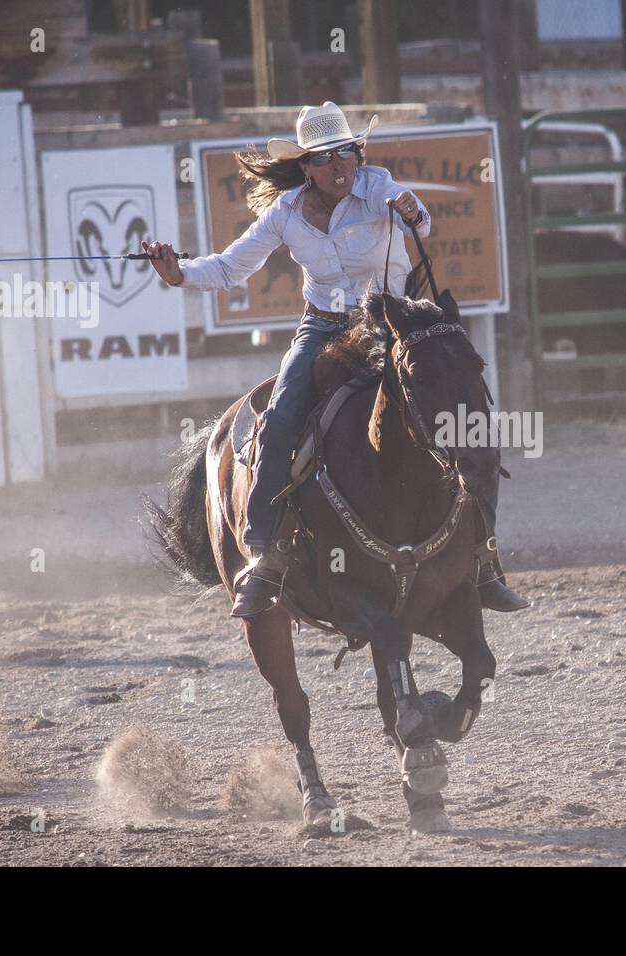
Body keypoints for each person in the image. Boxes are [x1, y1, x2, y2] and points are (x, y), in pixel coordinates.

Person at [143, 102, 528, 618]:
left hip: (392, 322)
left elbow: (413, 210)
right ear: (307, 167)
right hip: (323, 326)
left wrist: (414, 209)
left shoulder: (377, 186)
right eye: (327, 158)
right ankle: (264, 555)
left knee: (467, 414)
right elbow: (231, 267)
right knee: (279, 419)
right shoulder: (285, 214)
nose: (341, 165)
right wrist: (177, 273)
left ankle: (484, 561)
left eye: (348, 152)